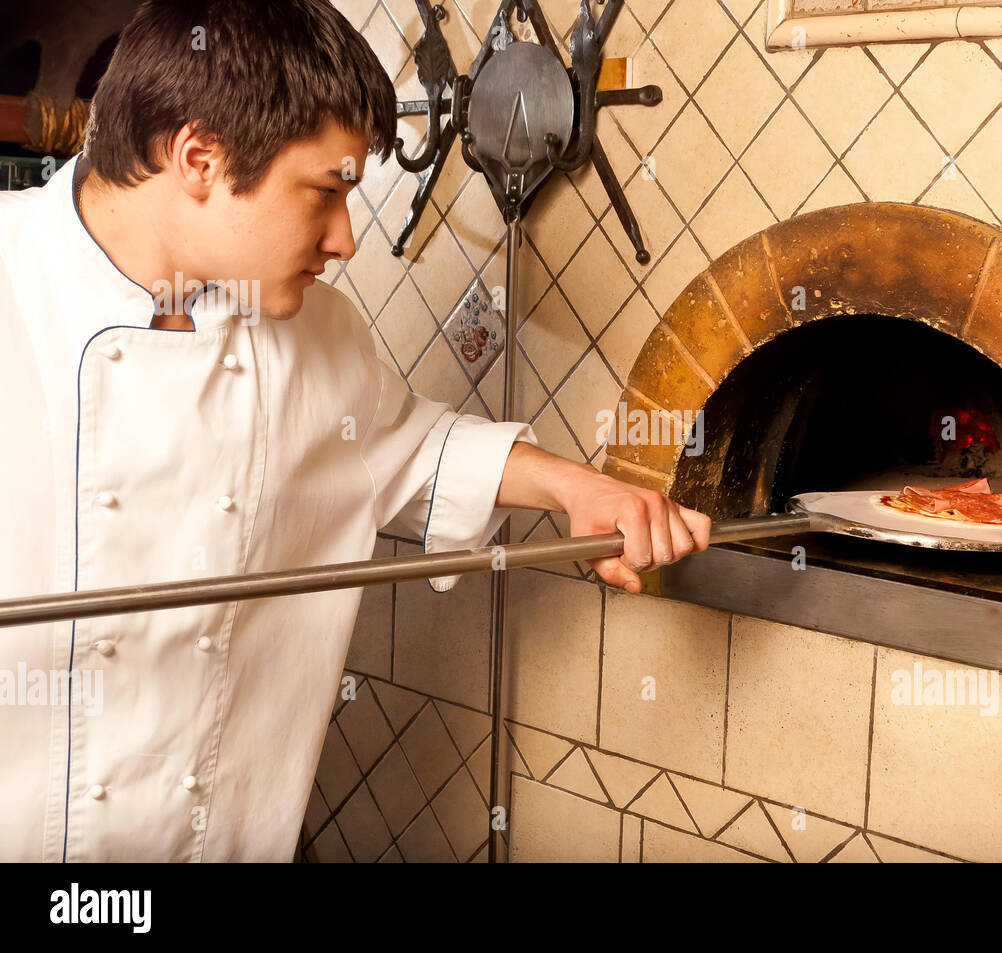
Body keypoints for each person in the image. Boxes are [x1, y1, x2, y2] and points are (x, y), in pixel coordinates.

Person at [0, 0, 711, 862]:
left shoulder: (318, 335)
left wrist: (579, 487)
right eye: (326, 192)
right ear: (198, 158)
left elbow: (412, 451)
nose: (343, 239)